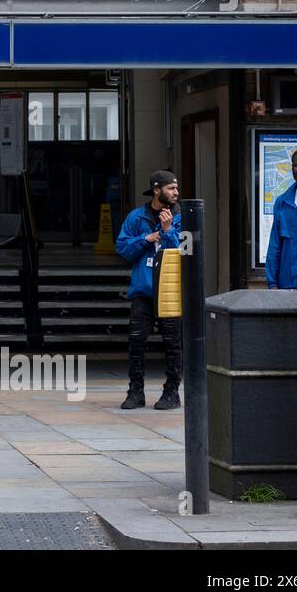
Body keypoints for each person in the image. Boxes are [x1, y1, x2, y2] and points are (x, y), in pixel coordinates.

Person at [115, 170, 182, 411]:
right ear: (157, 190)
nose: (176, 192)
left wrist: (167, 231)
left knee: (172, 343)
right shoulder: (136, 217)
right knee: (136, 341)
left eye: (176, 188)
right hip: (143, 290)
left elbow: (184, 253)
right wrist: (147, 238)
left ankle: (172, 391)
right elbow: (122, 248)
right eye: (171, 188)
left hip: (170, 290)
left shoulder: (182, 217)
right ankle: (135, 391)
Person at [265, 148, 297, 290]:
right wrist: (273, 283)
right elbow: (275, 245)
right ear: (292, 167)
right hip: (286, 284)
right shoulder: (282, 202)